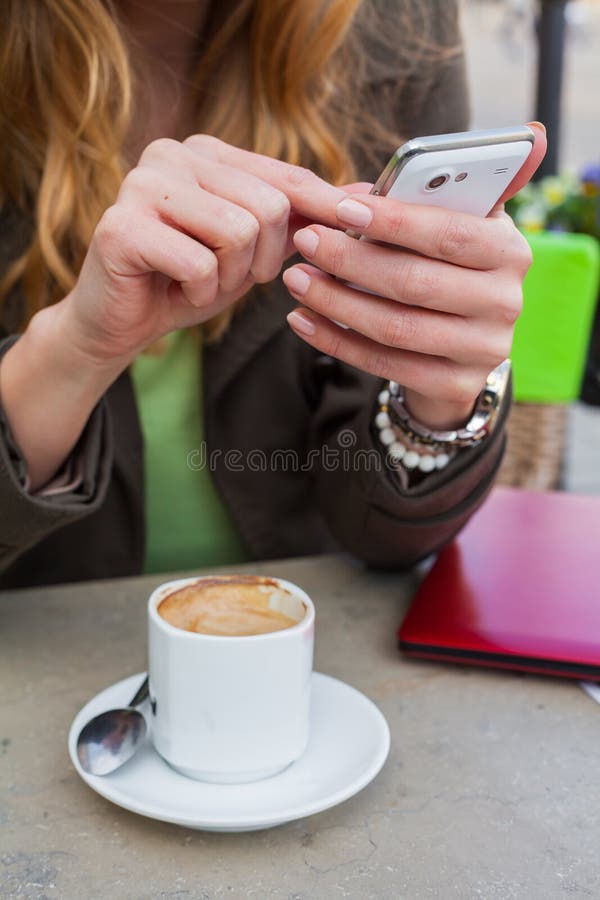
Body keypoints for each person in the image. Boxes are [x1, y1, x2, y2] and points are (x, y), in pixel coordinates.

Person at [0, 0, 545, 588]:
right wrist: (76, 350)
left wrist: (437, 402)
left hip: (308, 624)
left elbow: (384, 541)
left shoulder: (397, 22)